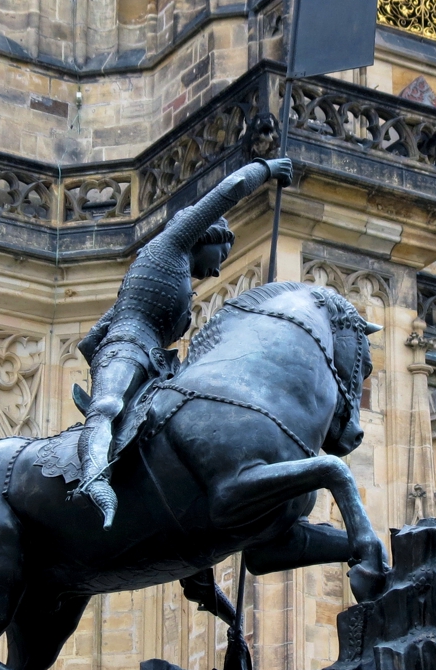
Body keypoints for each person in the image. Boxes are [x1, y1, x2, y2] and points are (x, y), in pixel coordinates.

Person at [74, 156, 293, 526]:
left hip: (156, 365)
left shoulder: (169, 274)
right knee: (108, 406)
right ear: (205, 238)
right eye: (221, 254)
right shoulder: (170, 246)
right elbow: (229, 190)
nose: (219, 269)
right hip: (128, 348)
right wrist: (268, 169)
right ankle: (94, 479)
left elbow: (89, 340)